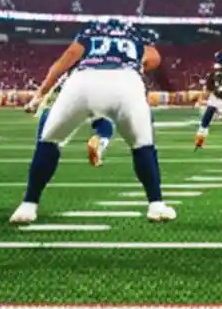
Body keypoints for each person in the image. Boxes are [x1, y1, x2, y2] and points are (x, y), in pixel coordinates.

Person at [11, 19, 171, 223]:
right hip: (125, 82)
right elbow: (154, 59)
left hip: (84, 81)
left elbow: (65, 60)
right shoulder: (138, 39)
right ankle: (156, 204)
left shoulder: (90, 35)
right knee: (142, 145)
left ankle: (28, 205)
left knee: (49, 140)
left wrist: (40, 93)